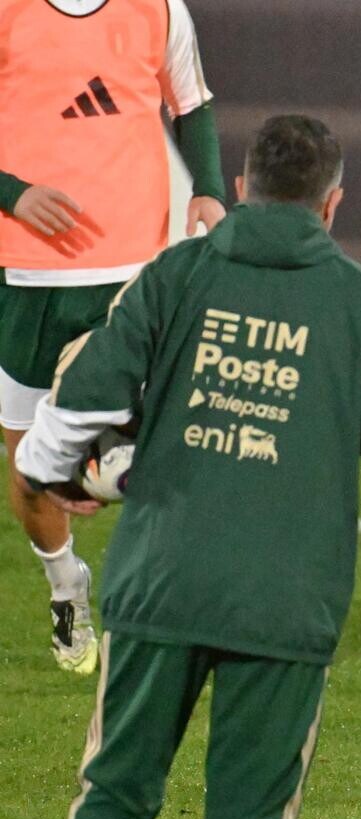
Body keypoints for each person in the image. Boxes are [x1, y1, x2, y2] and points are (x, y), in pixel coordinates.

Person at [15, 115, 361, 819]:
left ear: (245, 185)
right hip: (286, 602)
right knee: (253, 811)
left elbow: (78, 403)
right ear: (332, 202)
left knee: (117, 789)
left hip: (161, 583)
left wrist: (52, 474)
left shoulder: (175, 273)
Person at [0, 0, 227, 674]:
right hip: (27, 277)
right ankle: (67, 583)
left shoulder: (157, 8)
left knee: (162, 447)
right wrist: (11, 193)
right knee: (33, 472)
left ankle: (176, 609)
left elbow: (191, 102)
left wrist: (209, 188)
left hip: (135, 271)